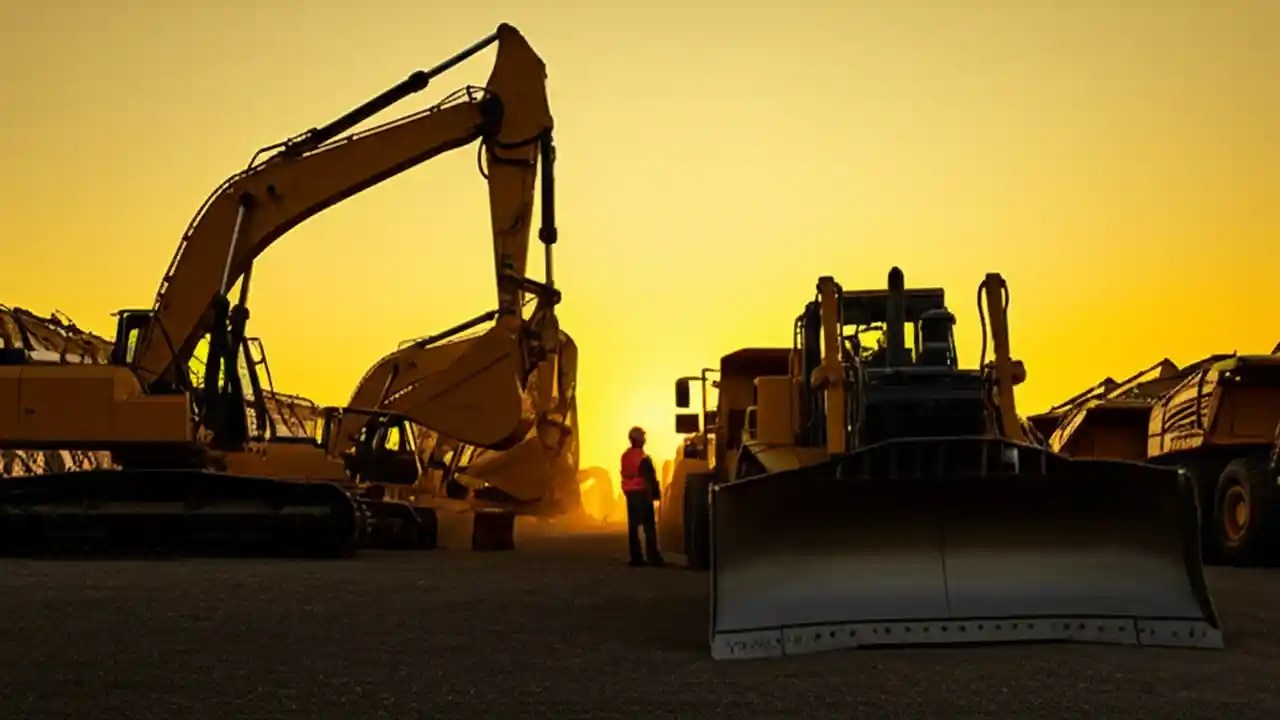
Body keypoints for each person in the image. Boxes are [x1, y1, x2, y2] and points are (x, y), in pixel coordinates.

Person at [620, 426, 664, 567]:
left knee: (633, 527)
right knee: (649, 526)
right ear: (638, 440)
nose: (644, 440)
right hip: (642, 493)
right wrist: (655, 494)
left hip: (630, 494)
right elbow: (649, 478)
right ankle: (653, 557)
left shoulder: (625, 456)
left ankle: (636, 557)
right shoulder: (643, 458)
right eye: (643, 437)